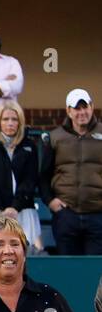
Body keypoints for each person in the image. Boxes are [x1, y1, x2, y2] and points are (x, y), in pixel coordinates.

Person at [40, 88, 102, 255]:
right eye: (77, 108)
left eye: (85, 107)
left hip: (98, 214)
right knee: (68, 269)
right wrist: (50, 201)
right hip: (66, 215)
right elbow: (44, 175)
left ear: (92, 106)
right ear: (68, 111)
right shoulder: (55, 137)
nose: (82, 112)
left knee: (95, 271)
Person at [0, 100, 41, 250]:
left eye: (14, 119)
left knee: (22, 254)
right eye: (5, 119)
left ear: (20, 122)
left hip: (22, 211)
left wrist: (14, 208)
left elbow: (30, 179)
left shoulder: (29, 146)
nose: (10, 123)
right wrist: (1, 209)